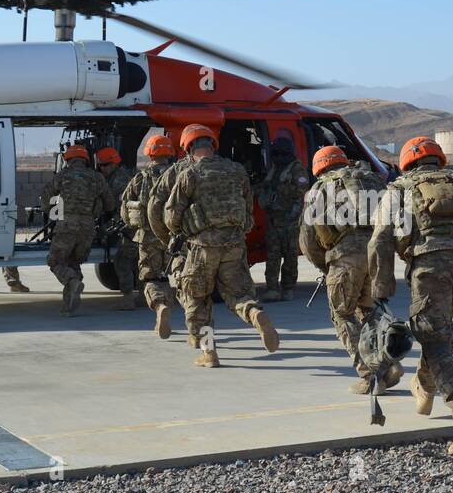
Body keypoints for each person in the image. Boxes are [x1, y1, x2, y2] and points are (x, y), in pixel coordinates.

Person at [369, 136, 453, 455]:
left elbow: (379, 241)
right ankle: (424, 386)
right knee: (436, 333)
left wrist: (382, 289)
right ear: (439, 160)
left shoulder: (399, 189)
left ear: (406, 164)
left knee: (434, 341)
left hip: (430, 267)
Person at [164, 124, 279, 367]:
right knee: (239, 295)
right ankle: (254, 314)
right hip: (234, 244)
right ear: (212, 145)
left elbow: (172, 214)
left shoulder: (190, 174)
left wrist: (179, 233)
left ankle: (209, 353)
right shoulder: (236, 171)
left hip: (202, 247)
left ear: (188, 149)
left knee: (197, 300)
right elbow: (248, 206)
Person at [300, 146, 401, 394]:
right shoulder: (373, 181)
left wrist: (327, 266)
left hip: (346, 258)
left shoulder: (319, 190)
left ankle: (370, 376)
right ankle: (389, 363)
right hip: (377, 256)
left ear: (319, 167)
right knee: (370, 312)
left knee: (342, 314)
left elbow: (308, 240)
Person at [40, 144, 113, 316]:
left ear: (68, 160)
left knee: (55, 261)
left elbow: (46, 196)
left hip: (66, 225)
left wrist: (51, 212)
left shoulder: (62, 176)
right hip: (88, 227)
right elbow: (109, 203)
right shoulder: (97, 177)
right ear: (86, 159)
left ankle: (71, 282)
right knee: (73, 262)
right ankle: (69, 305)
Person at [120, 134, 178, 338]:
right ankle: (172, 310)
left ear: (150, 154)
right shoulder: (179, 175)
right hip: (174, 237)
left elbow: (125, 208)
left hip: (147, 237)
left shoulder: (140, 178)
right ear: (169, 153)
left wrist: (133, 226)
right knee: (174, 276)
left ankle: (160, 306)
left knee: (151, 277)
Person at [256, 136, 311, 302]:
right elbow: (266, 185)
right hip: (274, 219)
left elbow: (302, 188)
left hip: (290, 220)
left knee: (290, 256)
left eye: (281, 153)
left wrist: (280, 189)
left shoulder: (297, 169)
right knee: (272, 256)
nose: (278, 157)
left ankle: (288, 289)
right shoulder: (275, 169)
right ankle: (272, 288)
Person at [96, 146, 138, 310]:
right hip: (131, 226)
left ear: (114, 164)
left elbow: (122, 214)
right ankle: (145, 295)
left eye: (105, 165)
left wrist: (105, 230)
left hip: (129, 227)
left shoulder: (120, 182)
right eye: (100, 166)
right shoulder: (116, 177)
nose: (102, 169)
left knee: (122, 261)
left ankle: (128, 298)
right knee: (136, 262)